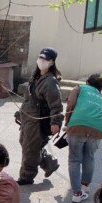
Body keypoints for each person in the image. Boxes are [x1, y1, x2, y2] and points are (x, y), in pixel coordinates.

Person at [16, 47, 64, 185]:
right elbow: (28, 98)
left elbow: (56, 104)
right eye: (40, 58)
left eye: (45, 59)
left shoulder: (50, 81)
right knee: (25, 143)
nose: (41, 61)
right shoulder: (36, 77)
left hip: (37, 120)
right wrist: (21, 113)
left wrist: (56, 122)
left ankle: (27, 176)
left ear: (52, 62)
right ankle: (48, 163)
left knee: (30, 148)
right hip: (27, 117)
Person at [62, 73, 102, 203]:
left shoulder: (79, 88)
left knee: (74, 160)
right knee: (89, 157)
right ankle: (85, 187)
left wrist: (67, 124)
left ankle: (77, 193)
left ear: (88, 82)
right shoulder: (99, 96)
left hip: (77, 126)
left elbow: (70, 104)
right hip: (97, 129)